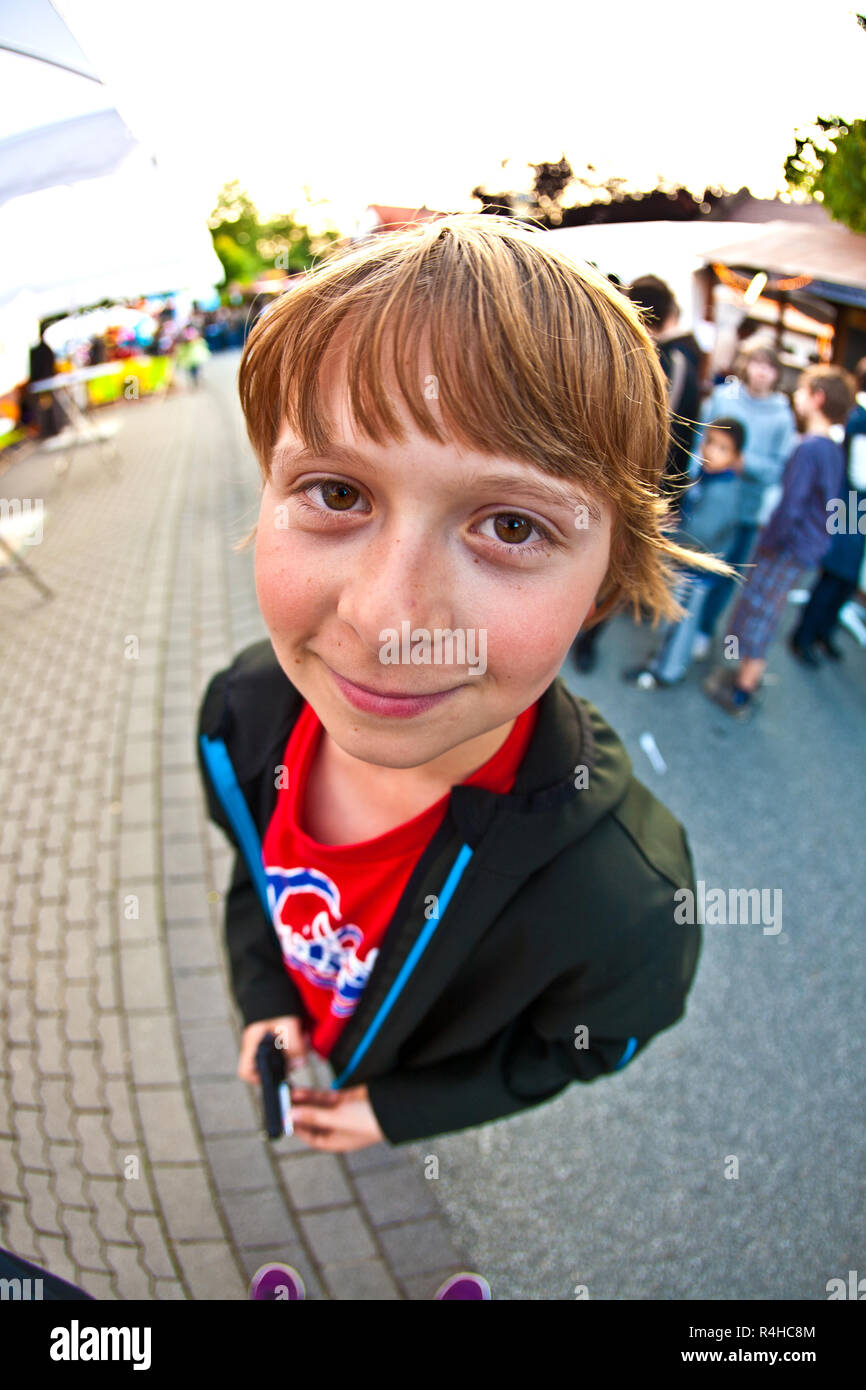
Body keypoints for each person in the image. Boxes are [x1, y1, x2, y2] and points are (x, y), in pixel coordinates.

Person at [196, 215, 731, 1151]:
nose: (388, 622)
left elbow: (597, 1042)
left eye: (513, 528)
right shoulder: (237, 719)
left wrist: (395, 1111)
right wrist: (265, 998)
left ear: (606, 587)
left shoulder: (625, 897)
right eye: (336, 492)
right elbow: (256, 870)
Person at [703, 364, 855, 720]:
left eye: (802, 391)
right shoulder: (833, 447)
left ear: (817, 398)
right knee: (767, 610)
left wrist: (768, 540)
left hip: (786, 545)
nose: (796, 398)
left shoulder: (809, 448)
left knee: (758, 610)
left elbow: (792, 505)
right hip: (806, 547)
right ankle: (743, 680)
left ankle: (742, 688)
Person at [691, 341, 798, 659]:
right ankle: (674, 623)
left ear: (776, 374)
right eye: (756, 363)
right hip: (707, 496)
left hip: (745, 510)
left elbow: (780, 468)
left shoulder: (782, 416)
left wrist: (744, 463)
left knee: (726, 572)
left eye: (769, 366)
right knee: (692, 557)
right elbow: (699, 440)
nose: (761, 372)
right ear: (746, 364)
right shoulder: (725, 397)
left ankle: (703, 628)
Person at [623, 417, 746, 688]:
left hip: (697, 569)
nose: (711, 451)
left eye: (723, 448)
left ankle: (666, 671)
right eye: (710, 442)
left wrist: (666, 532)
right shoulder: (709, 477)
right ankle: (665, 660)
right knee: (676, 620)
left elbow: (700, 534)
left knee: (681, 624)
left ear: (737, 458)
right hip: (691, 564)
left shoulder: (724, 491)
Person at [789, 357, 866, 663]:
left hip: (855, 505)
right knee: (837, 573)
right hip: (851, 505)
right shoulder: (858, 418)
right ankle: (806, 635)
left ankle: (823, 632)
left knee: (845, 577)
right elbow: (860, 474)